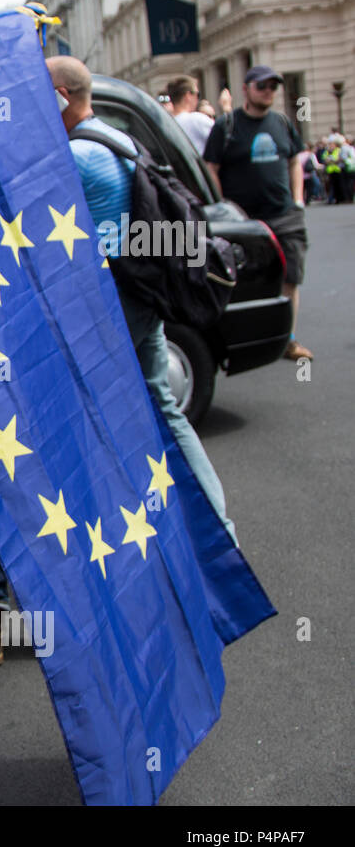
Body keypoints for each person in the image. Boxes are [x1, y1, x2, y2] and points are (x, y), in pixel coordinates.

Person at [48, 56, 237, 544]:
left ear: (61, 96)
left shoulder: (75, 158)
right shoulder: (118, 139)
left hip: (106, 308)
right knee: (163, 407)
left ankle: (111, 536)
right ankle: (216, 525)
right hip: (140, 294)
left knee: (87, 417)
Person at [202, 66, 312, 361]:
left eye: (273, 87)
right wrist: (222, 204)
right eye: (262, 85)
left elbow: (293, 161)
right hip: (244, 221)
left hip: (284, 214)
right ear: (246, 89)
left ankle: (287, 340)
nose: (268, 91)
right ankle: (245, 339)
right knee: (241, 278)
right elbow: (211, 168)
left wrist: (298, 199)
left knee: (290, 277)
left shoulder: (283, 123)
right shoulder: (226, 126)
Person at [167, 74, 212, 155]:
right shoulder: (197, 120)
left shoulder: (166, 125)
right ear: (188, 96)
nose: (197, 99)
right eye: (197, 94)